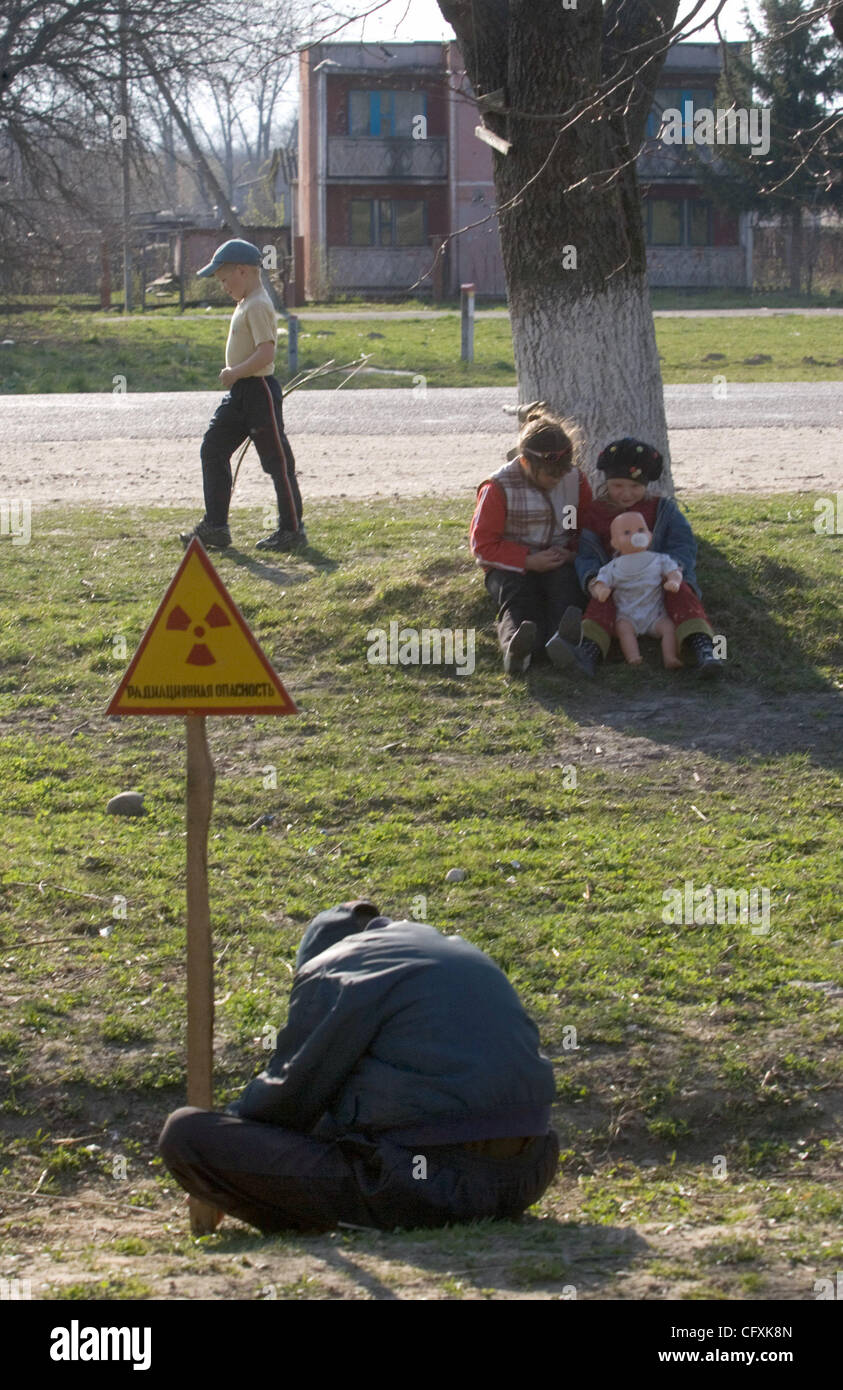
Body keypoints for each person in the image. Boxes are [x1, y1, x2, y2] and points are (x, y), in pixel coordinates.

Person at [159, 901, 559, 1234]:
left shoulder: (336, 969)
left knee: (186, 1134)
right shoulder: (454, 952)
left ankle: (326, 1222)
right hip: (527, 1175)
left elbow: (286, 1100)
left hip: (431, 1185)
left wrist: (229, 1150)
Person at [548, 438, 725, 678]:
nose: (626, 493)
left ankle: (704, 648)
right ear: (607, 482)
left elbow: (683, 544)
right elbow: (586, 553)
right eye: (618, 485)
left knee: (682, 595)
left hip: (659, 583)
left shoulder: (664, 510)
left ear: (646, 484)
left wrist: (673, 571)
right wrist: (593, 580)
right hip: (618, 584)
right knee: (600, 605)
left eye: (635, 486)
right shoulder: (594, 513)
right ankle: (589, 651)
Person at [179, 238, 307, 553]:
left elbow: (266, 353)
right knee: (213, 449)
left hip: (259, 392)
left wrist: (235, 371)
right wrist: (235, 378)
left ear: (243, 271)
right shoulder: (245, 302)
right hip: (239, 394)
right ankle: (216, 527)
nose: (223, 286)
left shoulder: (260, 304)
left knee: (277, 463)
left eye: (225, 279)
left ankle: (291, 530)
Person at [470, 410, 592, 673]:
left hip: (556, 559)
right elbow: (483, 544)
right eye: (550, 476)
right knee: (518, 595)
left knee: (566, 588)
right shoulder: (498, 488)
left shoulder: (573, 481)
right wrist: (527, 560)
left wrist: (571, 551)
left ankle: (563, 643)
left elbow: (575, 524)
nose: (556, 480)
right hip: (508, 565)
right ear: (525, 463)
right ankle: (518, 647)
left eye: (562, 474)